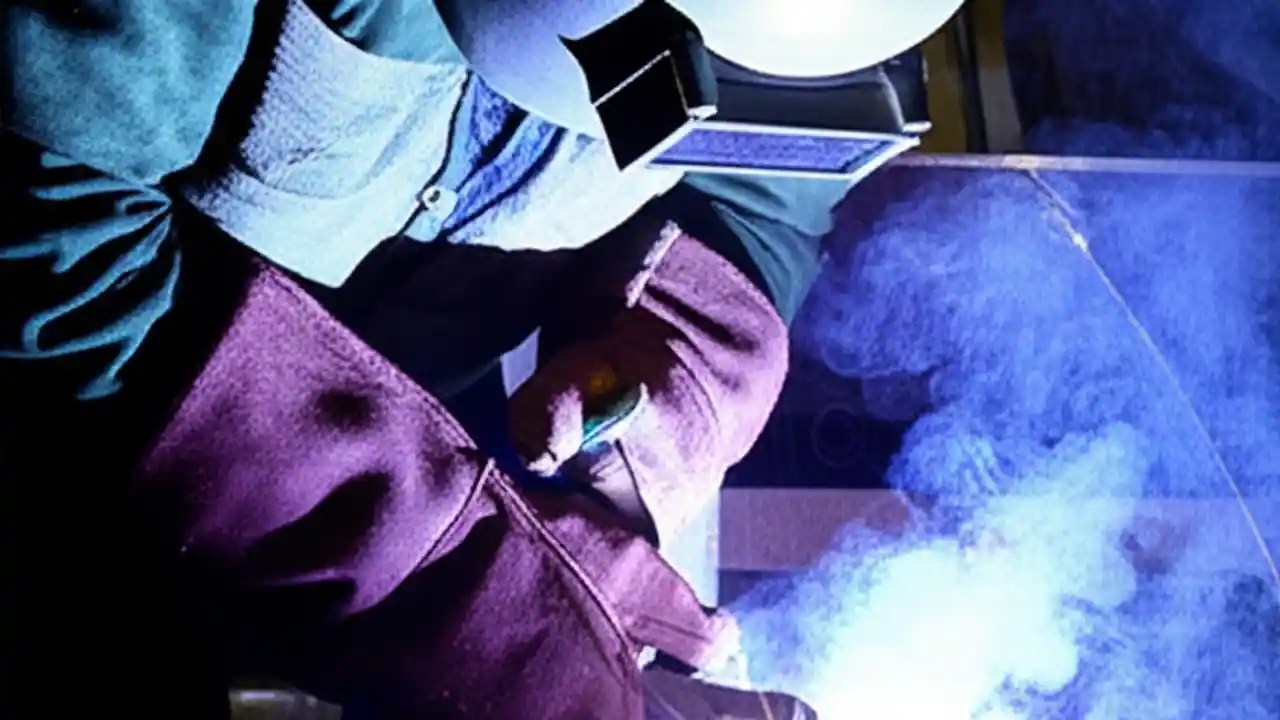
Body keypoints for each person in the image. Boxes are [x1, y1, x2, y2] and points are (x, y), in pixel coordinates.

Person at [2, 1, 957, 717]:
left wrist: (685, 367)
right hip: (63, 454)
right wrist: (443, 567)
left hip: (354, 527)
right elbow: (48, 236)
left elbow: (765, 186)